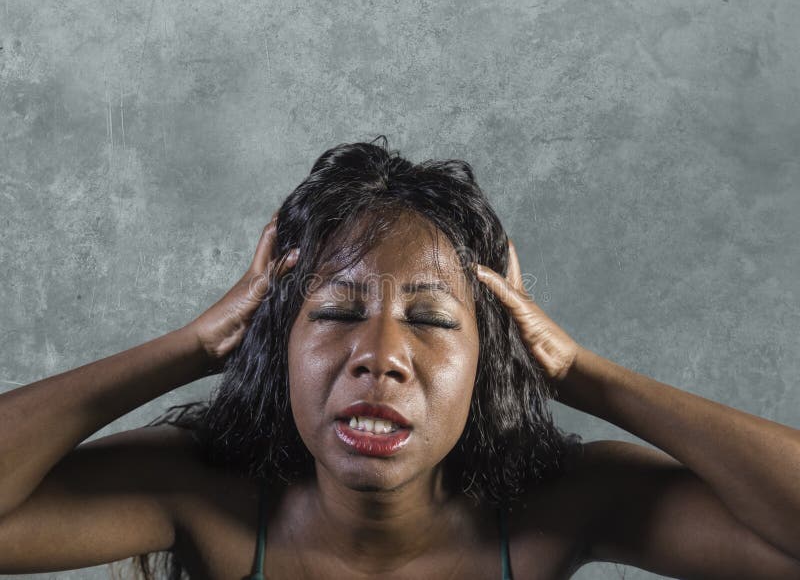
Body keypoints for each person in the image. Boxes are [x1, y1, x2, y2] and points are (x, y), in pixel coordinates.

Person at [1, 138, 798, 580]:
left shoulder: (556, 506)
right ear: (278, 345)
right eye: (337, 312)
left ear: (488, 360)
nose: (380, 358)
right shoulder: (204, 493)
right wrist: (193, 346)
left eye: (431, 320)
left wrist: (579, 374)